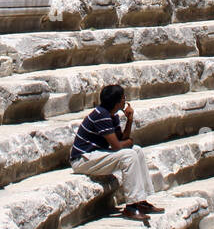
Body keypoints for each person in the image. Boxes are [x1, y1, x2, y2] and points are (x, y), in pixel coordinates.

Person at [70, 84, 164, 220]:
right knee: (129, 154)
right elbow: (117, 146)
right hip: (82, 159)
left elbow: (122, 139)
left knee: (136, 150)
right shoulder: (101, 115)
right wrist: (129, 142)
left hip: (95, 154)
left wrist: (129, 120)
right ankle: (131, 207)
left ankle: (141, 201)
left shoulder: (111, 115)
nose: (125, 100)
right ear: (118, 101)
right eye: (123, 97)